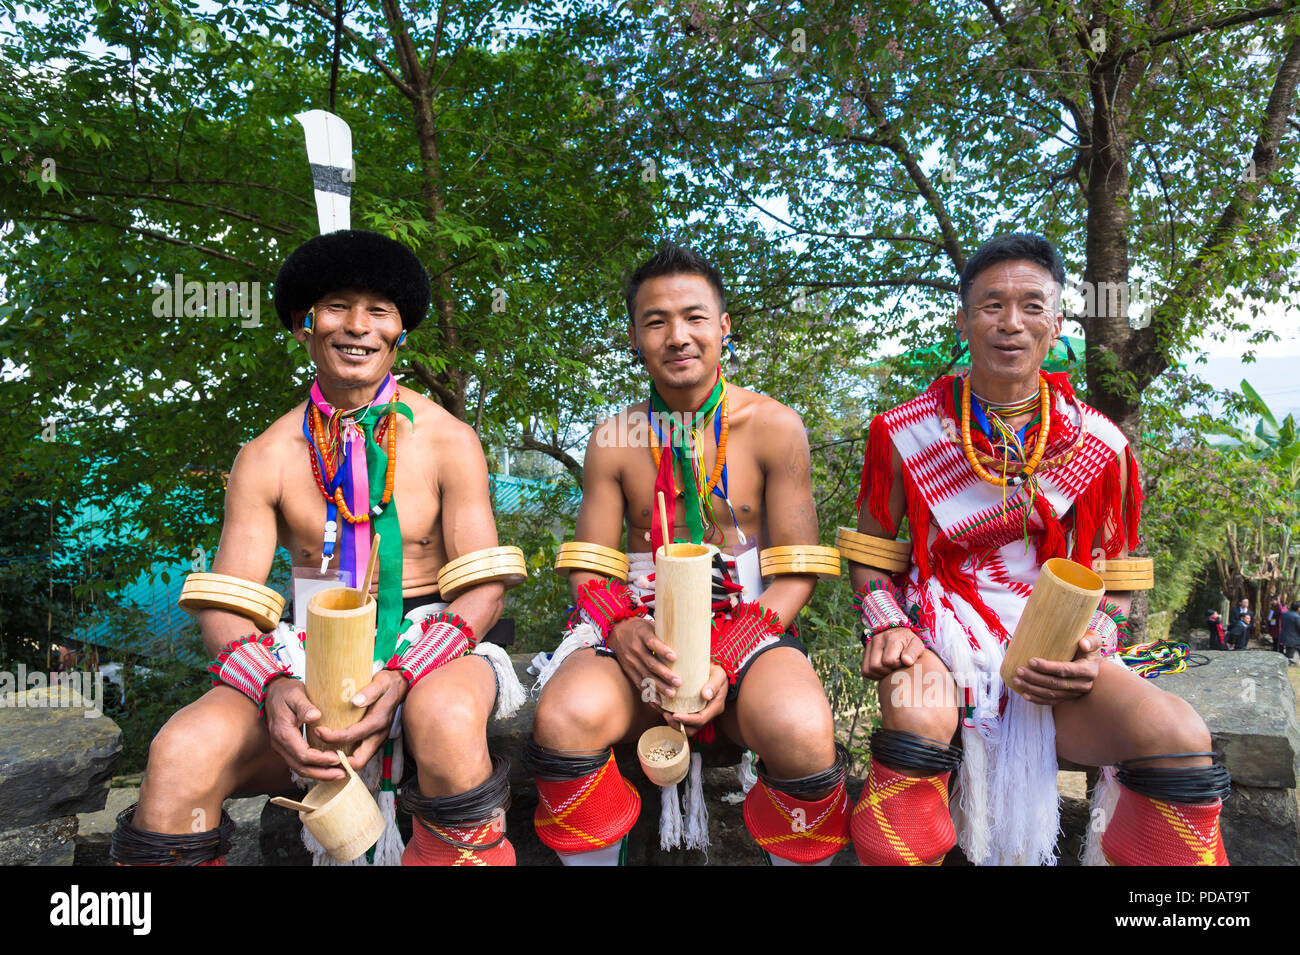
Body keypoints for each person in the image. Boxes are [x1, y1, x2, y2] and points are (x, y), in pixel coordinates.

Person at [111, 230, 524, 867]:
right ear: (304, 325)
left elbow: (482, 585)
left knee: (442, 715)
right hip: (303, 647)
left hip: (434, 642)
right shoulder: (266, 456)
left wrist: (403, 672)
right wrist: (273, 685)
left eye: (378, 310)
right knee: (179, 751)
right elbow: (228, 602)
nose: (357, 327)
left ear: (400, 332)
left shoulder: (449, 440)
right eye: (335, 306)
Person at [847, 232, 1229, 866]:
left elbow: (1118, 571)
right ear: (964, 317)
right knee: (917, 724)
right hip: (934, 631)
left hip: (1051, 641)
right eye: (992, 305)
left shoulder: (1097, 440)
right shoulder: (905, 432)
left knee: (1179, 737)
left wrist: (1095, 644)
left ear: (1056, 322)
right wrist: (887, 626)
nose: (1011, 323)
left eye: (1031, 306)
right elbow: (873, 550)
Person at [526, 242, 848, 866]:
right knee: (564, 719)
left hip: (750, 622)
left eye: (695, 317)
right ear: (634, 337)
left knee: (803, 730)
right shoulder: (613, 438)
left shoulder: (775, 427)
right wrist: (620, 625)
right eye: (656, 321)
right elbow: (591, 564)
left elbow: (799, 569)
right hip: (638, 621)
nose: (678, 336)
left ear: (724, 327)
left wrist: (725, 655)